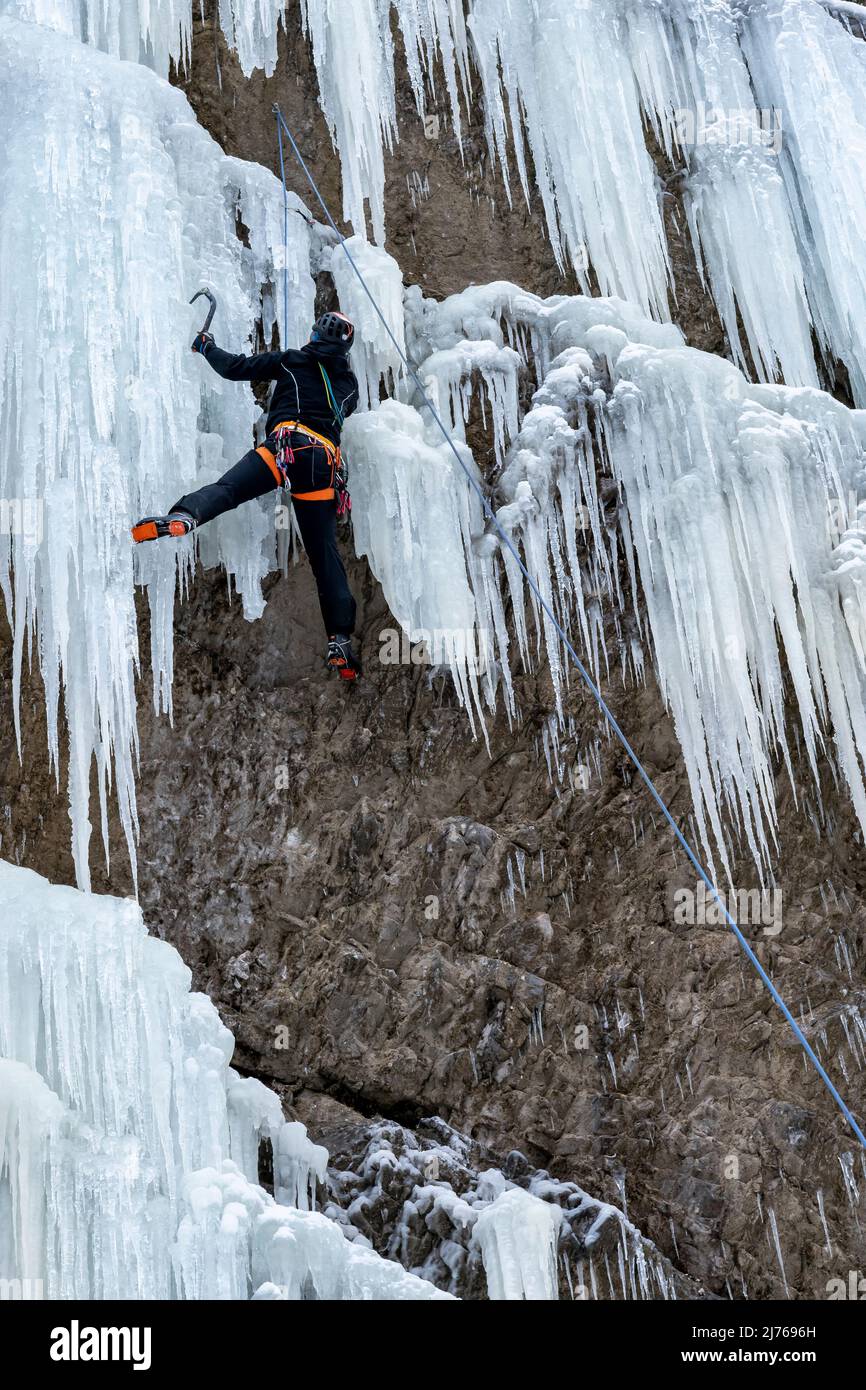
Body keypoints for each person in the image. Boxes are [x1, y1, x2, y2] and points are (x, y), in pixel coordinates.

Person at [132, 311, 362, 680]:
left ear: (315, 333)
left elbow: (236, 368)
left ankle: (184, 517)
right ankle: (339, 639)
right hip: (323, 464)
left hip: (284, 447)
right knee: (325, 556)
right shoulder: (349, 384)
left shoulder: (292, 360)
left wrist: (206, 346)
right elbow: (342, 408)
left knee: (229, 490)